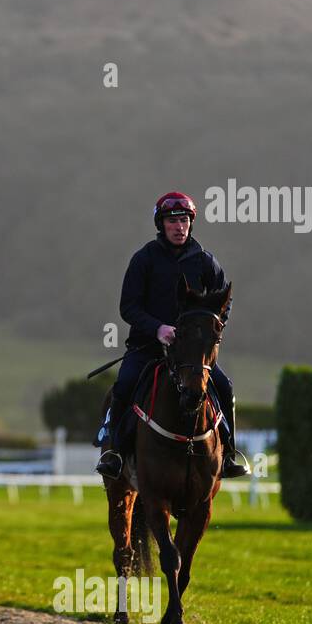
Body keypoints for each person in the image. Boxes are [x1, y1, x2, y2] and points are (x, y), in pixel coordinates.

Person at [95, 191, 249, 479]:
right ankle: (114, 454)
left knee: (225, 388)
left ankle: (229, 454)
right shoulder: (144, 259)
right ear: (161, 224)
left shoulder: (205, 261)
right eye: (172, 220)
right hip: (147, 347)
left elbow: (223, 304)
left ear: (191, 223)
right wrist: (158, 328)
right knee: (124, 384)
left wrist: (208, 333)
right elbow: (128, 307)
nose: (179, 227)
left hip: (192, 356)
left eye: (184, 220)